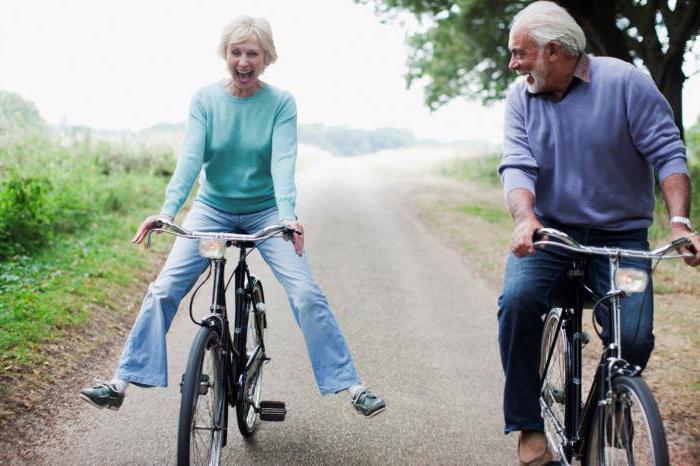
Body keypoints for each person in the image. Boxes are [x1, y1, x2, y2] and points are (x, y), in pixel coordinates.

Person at [80, 15, 386, 418]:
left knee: (305, 293)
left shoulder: (280, 103)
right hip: (213, 212)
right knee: (164, 289)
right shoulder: (206, 100)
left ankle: (351, 385)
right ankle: (120, 383)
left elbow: (282, 163)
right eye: (236, 52)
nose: (243, 61)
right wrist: (168, 212)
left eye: (252, 54)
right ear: (225, 55)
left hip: (266, 213)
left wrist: (288, 216)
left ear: (267, 58)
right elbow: (190, 160)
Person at [497, 2, 700, 464]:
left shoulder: (625, 82)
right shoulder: (519, 98)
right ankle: (528, 427)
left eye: (520, 53)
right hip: (550, 235)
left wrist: (679, 222)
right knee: (519, 302)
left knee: (635, 336)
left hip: (621, 241)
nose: (514, 65)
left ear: (553, 50)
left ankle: (613, 398)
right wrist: (525, 218)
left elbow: (668, 154)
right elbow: (517, 166)